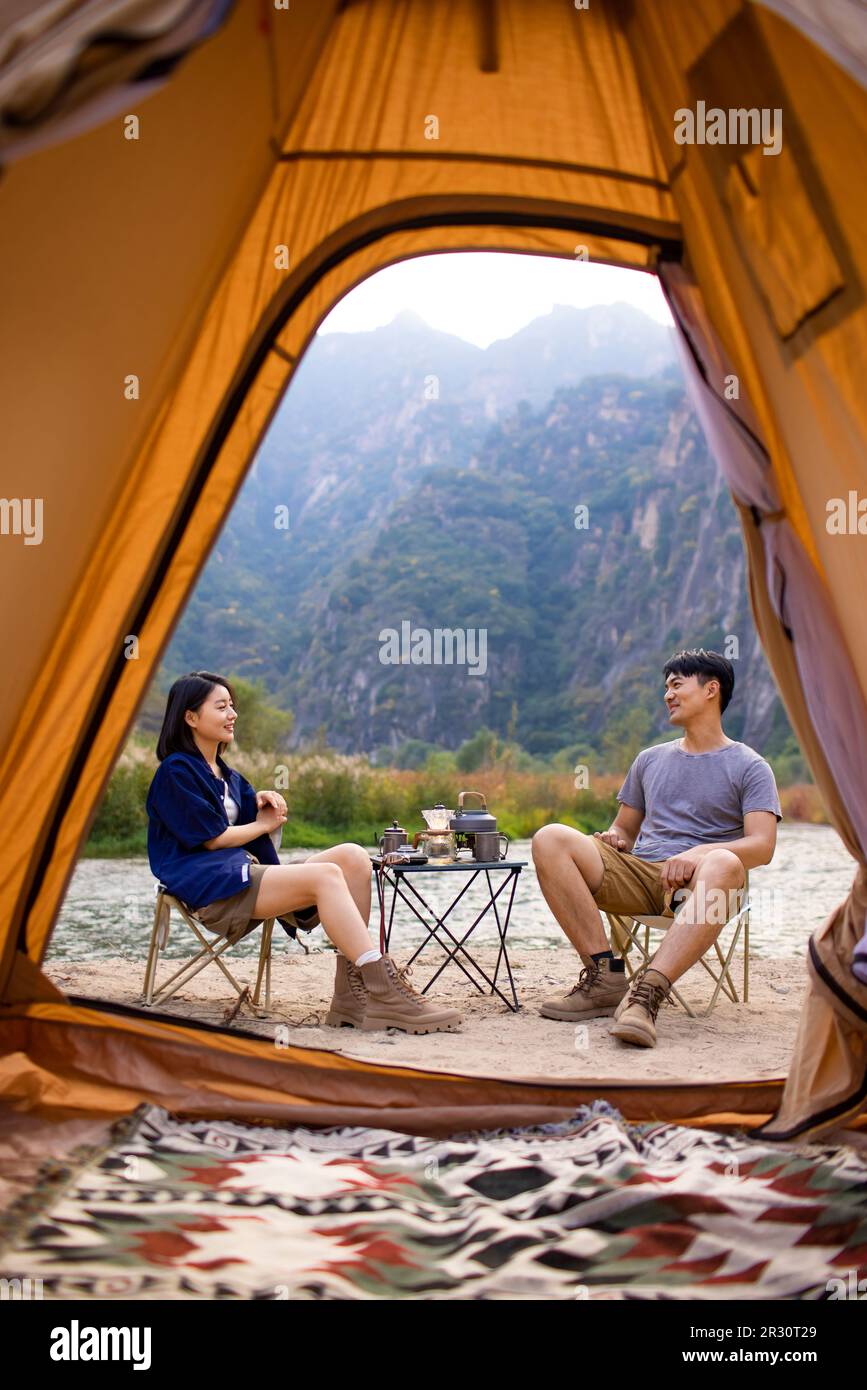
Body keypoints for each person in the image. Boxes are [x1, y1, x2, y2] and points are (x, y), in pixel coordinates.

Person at [145, 671, 461, 1034]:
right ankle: (384, 988)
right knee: (325, 875)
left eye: (232, 705)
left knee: (352, 858)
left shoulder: (228, 777)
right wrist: (261, 824)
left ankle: (350, 994)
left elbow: (247, 827)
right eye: (221, 707)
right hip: (211, 888)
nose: (232, 713)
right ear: (190, 717)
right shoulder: (175, 772)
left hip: (244, 873)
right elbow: (211, 839)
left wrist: (262, 801)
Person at [533, 649, 781, 1047]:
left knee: (724, 860)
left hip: (704, 887)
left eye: (677, 684)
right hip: (642, 875)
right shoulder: (649, 760)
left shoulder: (750, 766)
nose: (668, 694)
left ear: (711, 690)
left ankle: (646, 994)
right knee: (550, 838)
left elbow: (762, 846)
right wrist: (615, 839)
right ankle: (605, 979)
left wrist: (698, 854)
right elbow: (624, 830)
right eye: (666, 686)